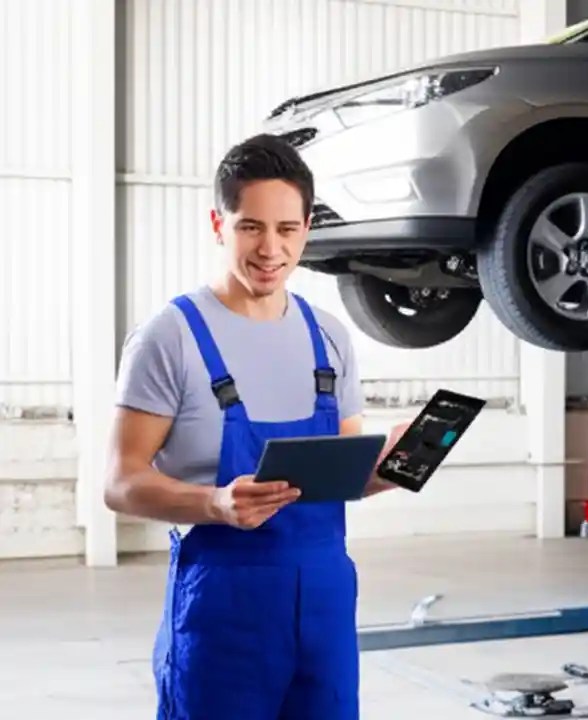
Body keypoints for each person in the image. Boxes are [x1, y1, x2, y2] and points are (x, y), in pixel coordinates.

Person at [104, 133, 404, 719]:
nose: (270, 249)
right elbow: (120, 482)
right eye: (250, 227)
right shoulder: (171, 337)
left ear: (307, 229)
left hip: (325, 606)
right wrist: (216, 503)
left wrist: (389, 468)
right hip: (222, 612)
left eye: (287, 230)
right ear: (219, 223)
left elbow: (342, 474)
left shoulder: (329, 339)